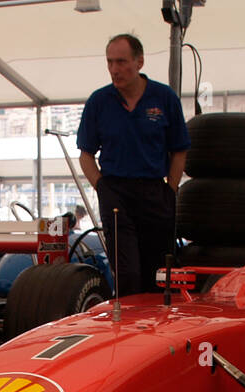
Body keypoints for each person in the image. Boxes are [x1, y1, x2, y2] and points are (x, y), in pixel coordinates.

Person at [77, 33, 189, 296]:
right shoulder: (99, 102)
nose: (115, 70)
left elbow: (179, 150)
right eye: (110, 62)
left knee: (159, 274)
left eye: (121, 62)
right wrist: (102, 188)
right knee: (128, 274)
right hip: (116, 193)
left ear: (139, 62)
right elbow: (86, 155)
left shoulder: (164, 98)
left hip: (155, 193)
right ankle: (128, 331)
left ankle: (157, 332)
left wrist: (170, 191)